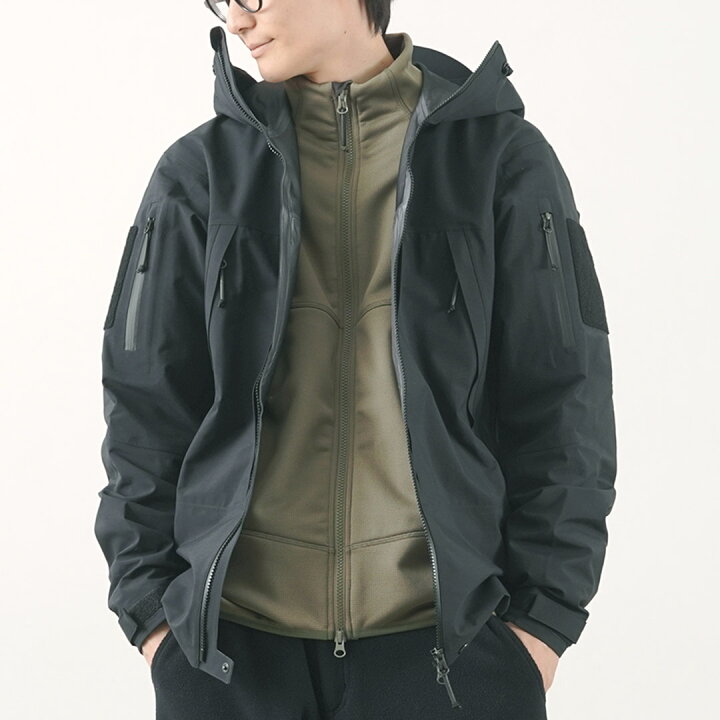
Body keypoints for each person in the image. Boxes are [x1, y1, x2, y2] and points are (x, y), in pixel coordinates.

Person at [95, 1, 617, 718]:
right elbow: (144, 406)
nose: (237, 19)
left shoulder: (500, 160)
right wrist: (156, 620)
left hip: (453, 655)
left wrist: (540, 627)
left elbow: (564, 402)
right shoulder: (201, 172)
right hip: (230, 661)